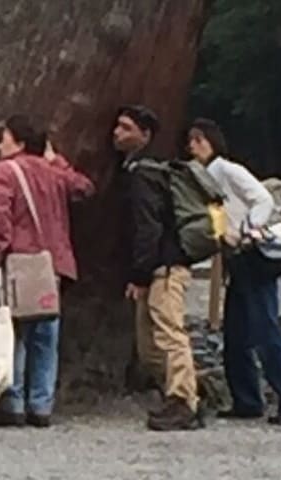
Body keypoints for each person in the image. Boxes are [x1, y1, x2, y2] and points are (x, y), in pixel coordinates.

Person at [186, 118, 281, 424]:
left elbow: (263, 198)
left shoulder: (228, 170)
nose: (192, 147)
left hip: (249, 253)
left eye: (197, 140)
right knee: (237, 332)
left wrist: (248, 228)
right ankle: (246, 397)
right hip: (234, 258)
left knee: (264, 327)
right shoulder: (205, 176)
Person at [0, 115, 95, 428]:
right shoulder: (54, 172)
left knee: (14, 332)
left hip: (19, 260)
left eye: (4, 137)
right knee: (46, 334)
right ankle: (41, 405)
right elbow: (84, 188)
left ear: (18, 141)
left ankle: (13, 402)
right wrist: (55, 158)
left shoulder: (4, 172)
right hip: (52, 265)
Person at [114, 105, 203, 431]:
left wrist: (139, 273)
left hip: (163, 267)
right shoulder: (149, 170)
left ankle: (184, 401)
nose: (117, 133)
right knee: (150, 343)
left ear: (145, 135)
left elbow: (147, 227)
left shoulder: (144, 175)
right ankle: (184, 394)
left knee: (168, 334)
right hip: (161, 264)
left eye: (126, 128)